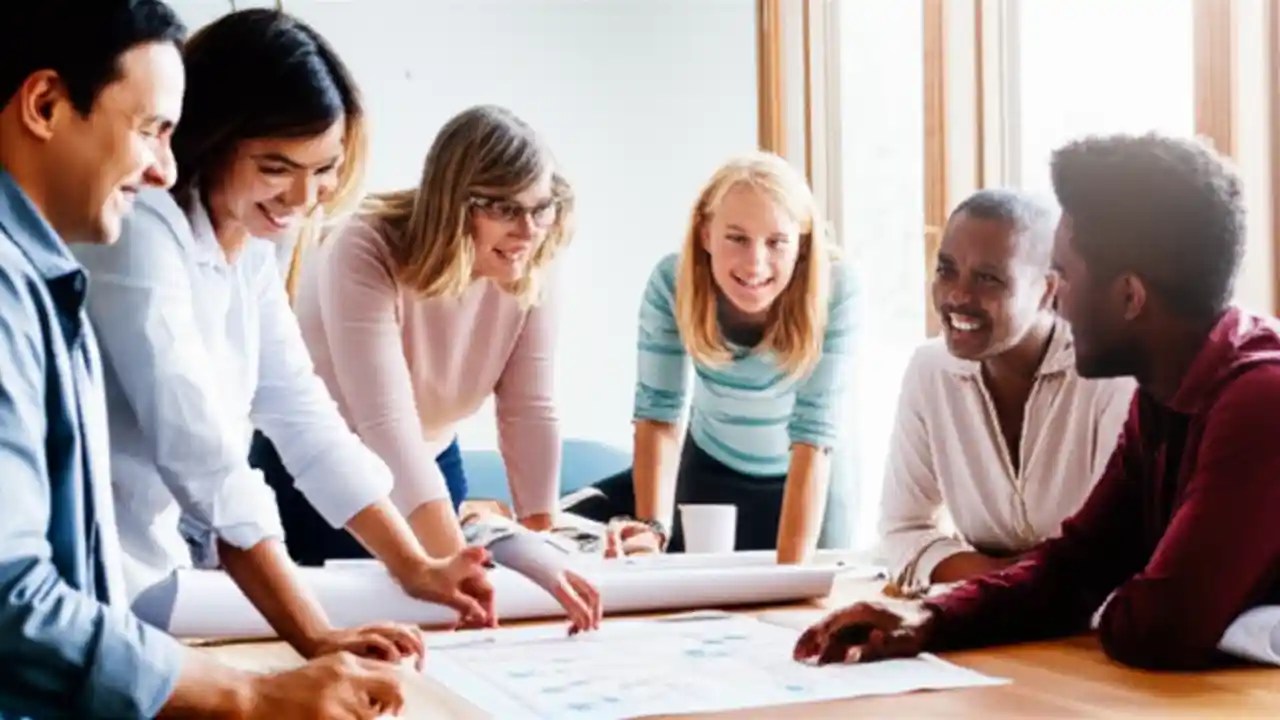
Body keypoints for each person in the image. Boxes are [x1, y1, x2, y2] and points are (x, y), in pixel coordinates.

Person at [0, 2, 408, 718]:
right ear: (45, 104)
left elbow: (301, 409)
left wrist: (418, 566)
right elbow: (14, 600)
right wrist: (257, 691)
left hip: (112, 628)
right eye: (153, 129)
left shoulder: (45, 278)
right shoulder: (35, 275)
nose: (164, 168)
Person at [72, 8, 496, 664]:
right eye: (276, 166)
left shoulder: (255, 243)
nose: (304, 195)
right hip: (89, 581)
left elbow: (302, 413)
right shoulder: (140, 230)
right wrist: (316, 638)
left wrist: (415, 565)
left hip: (158, 577)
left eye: (323, 168)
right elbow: (205, 458)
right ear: (212, 140)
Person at [795, 133, 1280, 671]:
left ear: (1129, 297)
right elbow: (1076, 567)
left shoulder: (1261, 401)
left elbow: (1160, 627)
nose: (1058, 299)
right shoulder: (1164, 389)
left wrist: (1106, 594)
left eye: (1065, 276)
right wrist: (933, 618)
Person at [285, 104, 599, 632]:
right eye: (505, 209)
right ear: (457, 203)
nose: (528, 230)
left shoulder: (530, 257)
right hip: (328, 477)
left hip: (430, 461)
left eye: (541, 208)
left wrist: (540, 544)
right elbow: (386, 429)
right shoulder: (366, 246)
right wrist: (465, 576)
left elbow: (529, 409)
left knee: (454, 638)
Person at [568, 152, 857, 563]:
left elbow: (814, 435)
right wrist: (653, 529)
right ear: (705, 233)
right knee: (584, 545)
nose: (755, 263)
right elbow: (658, 414)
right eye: (736, 238)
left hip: (807, 480)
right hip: (709, 468)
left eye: (776, 242)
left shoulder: (838, 287)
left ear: (803, 243)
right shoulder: (672, 281)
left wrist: (790, 576)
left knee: (802, 606)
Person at [878, 189, 1134, 592]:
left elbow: (1119, 550)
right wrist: (1010, 581)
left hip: (1093, 633)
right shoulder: (931, 371)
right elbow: (902, 532)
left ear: (1050, 289)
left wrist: (1002, 580)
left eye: (988, 278)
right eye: (946, 270)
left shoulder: (1111, 376)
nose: (958, 296)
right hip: (992, 624)